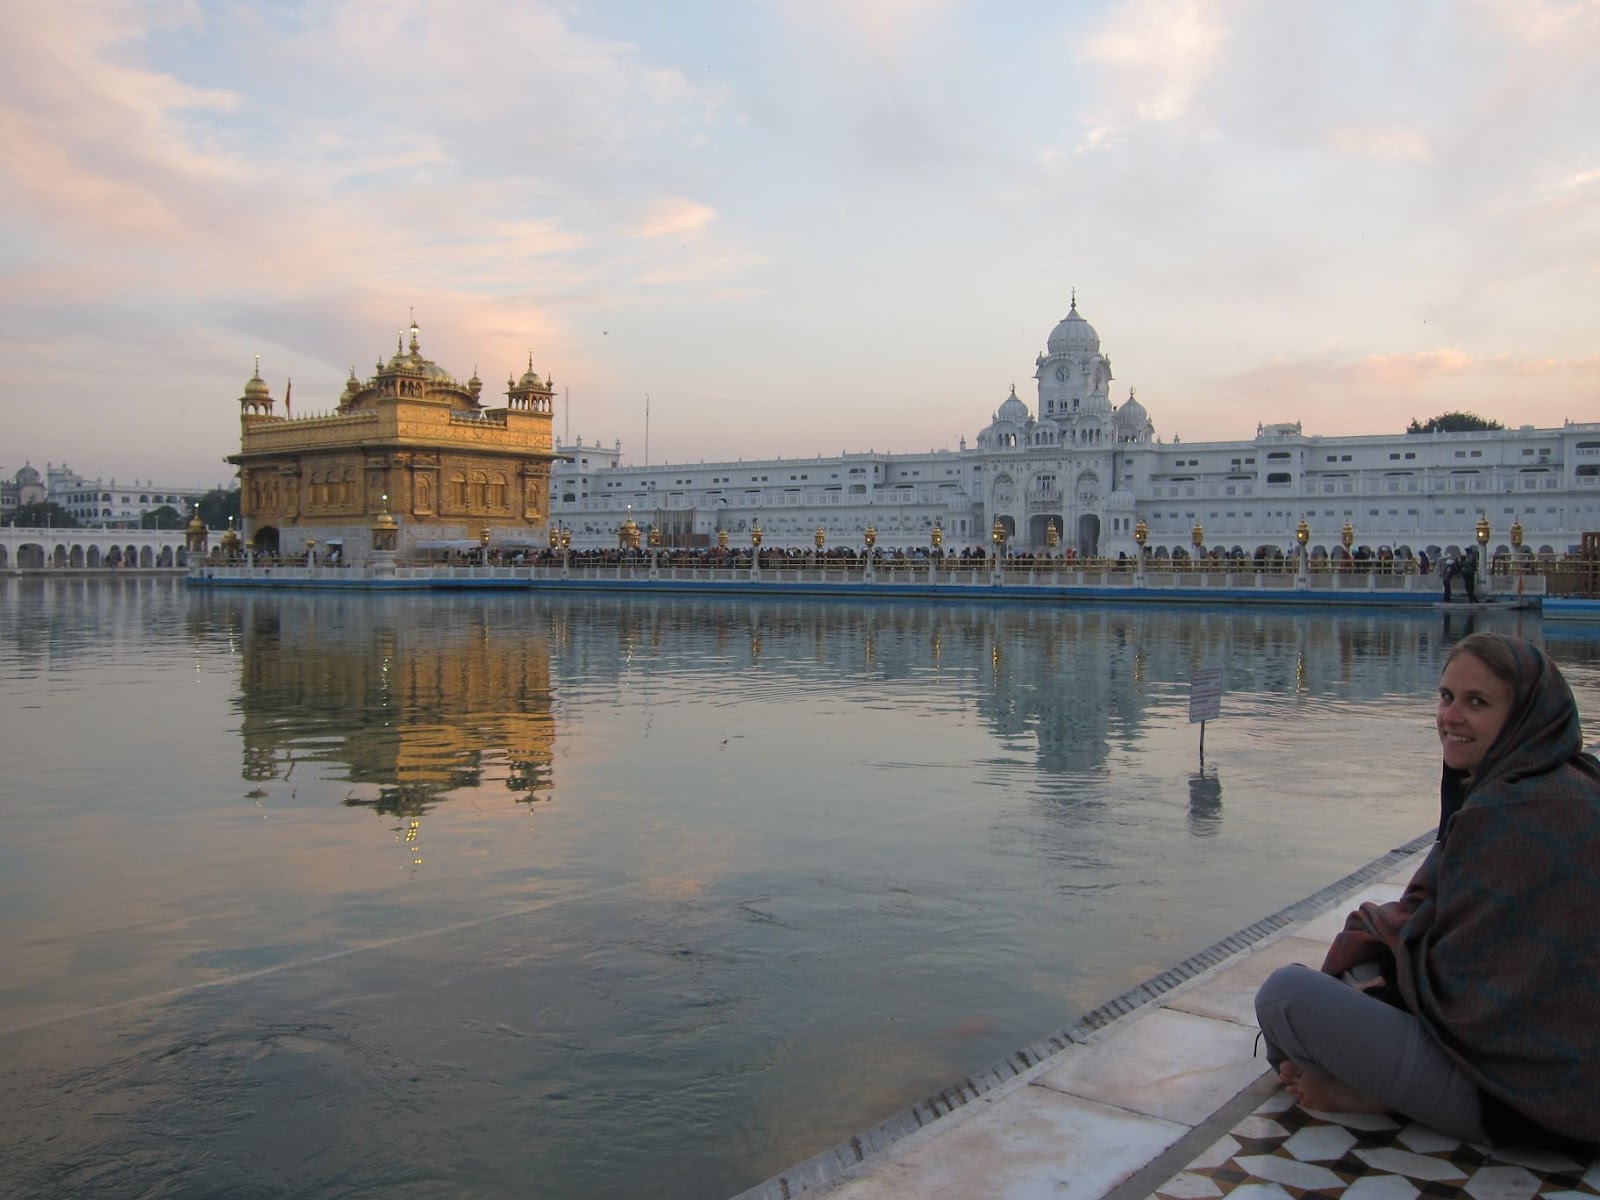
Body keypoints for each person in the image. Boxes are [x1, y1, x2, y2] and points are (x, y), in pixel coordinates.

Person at [1254, 633, 1600, 1148]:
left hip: (1518, 1099)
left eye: (1476, 702)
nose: (1451, 717)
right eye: (1446, 697)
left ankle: (1379, 1095)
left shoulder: (1506, 812)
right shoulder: (1575, 781)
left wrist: (1385, 947)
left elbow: (1458, 983)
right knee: (1368, 964)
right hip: (1570, 1073)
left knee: (1287, 999)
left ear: (1524, 713)